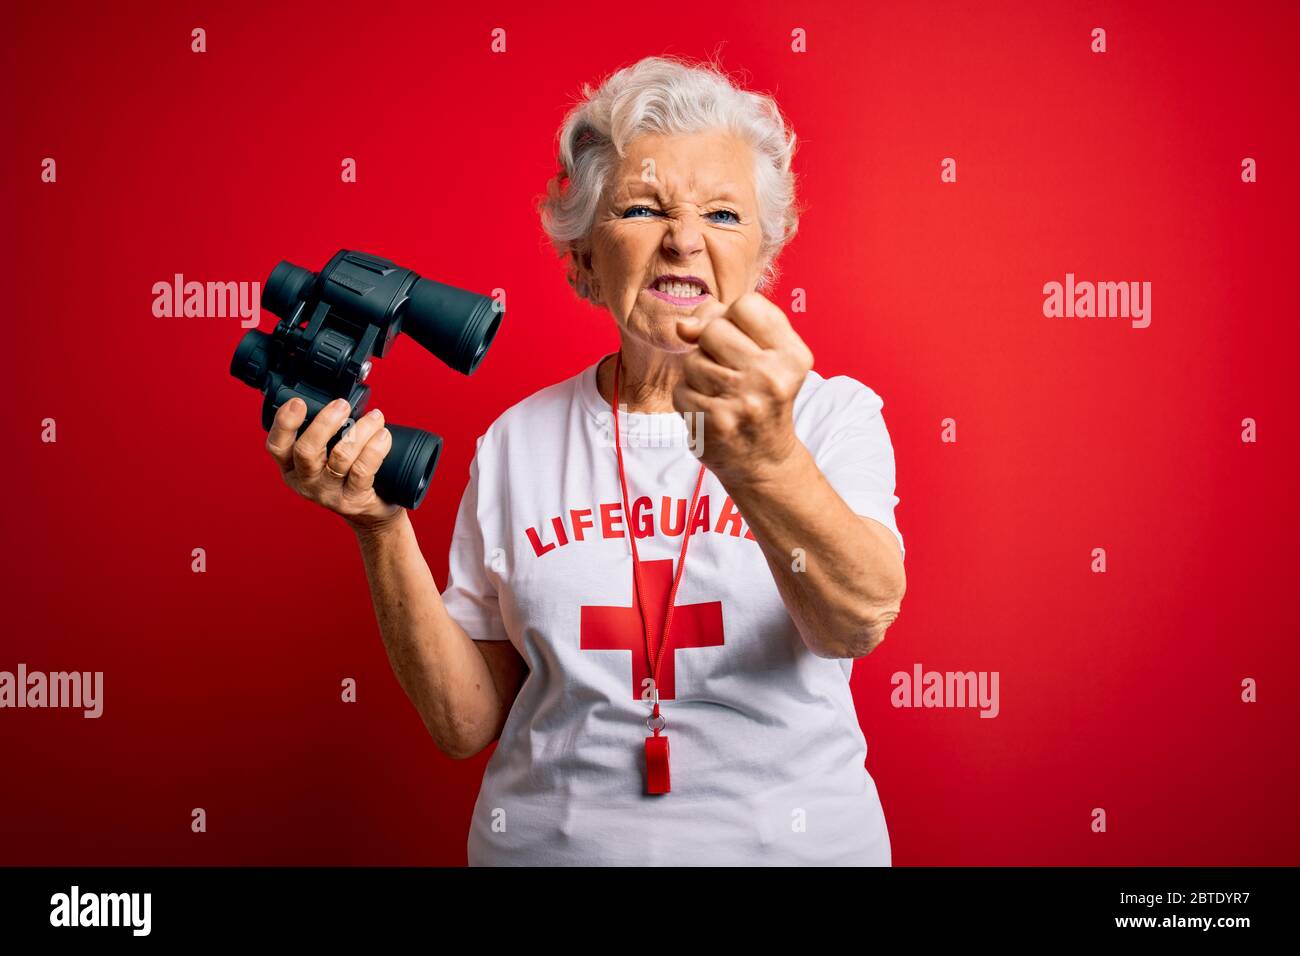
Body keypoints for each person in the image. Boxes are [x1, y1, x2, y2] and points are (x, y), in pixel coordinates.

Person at [263, 55, 907, 865]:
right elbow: (465, 725)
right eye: (642, 208)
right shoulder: (516, 443)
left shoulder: (830, 415)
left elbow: (856, 619)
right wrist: (377, 525)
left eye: (724, 215)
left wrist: (766, 457)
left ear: (762, 258)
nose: (683, 240)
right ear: (584, 262)